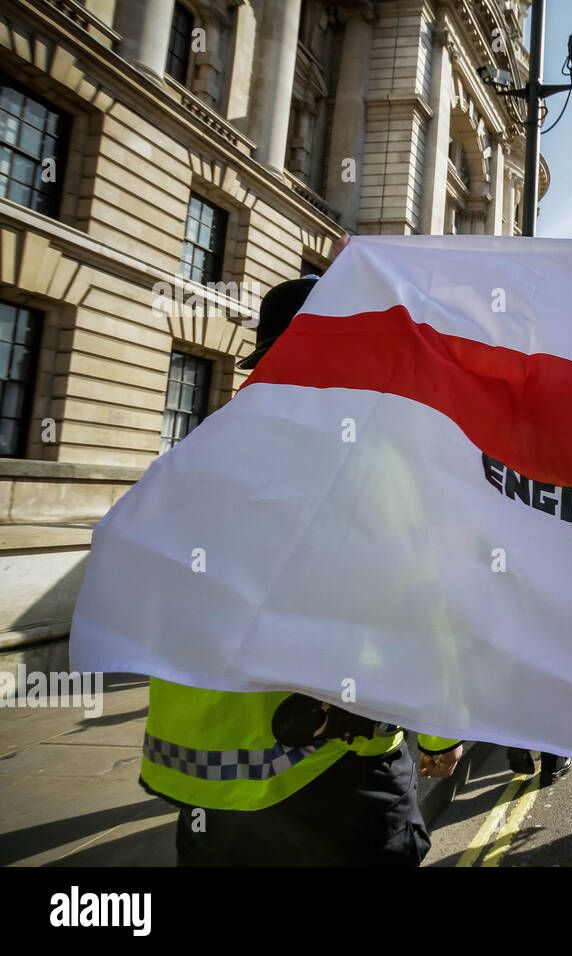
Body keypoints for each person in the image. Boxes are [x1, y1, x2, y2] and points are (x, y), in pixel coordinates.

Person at [143, 270, 464, 865]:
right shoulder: (366, 458)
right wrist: (441, 734)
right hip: (328, 768)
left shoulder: (199, 453)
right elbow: (420, 601)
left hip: (203, 777)